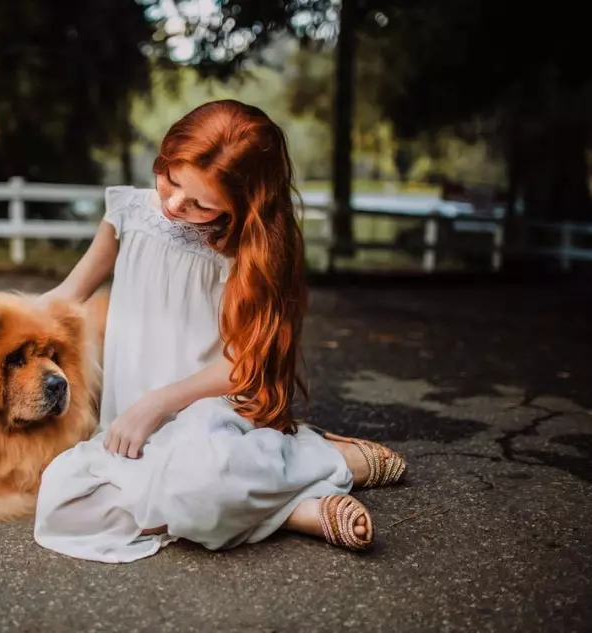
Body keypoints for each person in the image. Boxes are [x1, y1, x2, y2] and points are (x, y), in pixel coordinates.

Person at [33, 100, 406, 564]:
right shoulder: (128, 211)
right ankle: (280, 494)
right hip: (130, 428)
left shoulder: (248, 252)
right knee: (60, 501)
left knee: (197, 486)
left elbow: (246, 364)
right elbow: (69, 293)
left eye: (199, 204)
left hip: (205, 414)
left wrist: (159, 401)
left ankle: (312, 478)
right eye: (169, 178)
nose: (173, 204)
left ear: (243, 205)